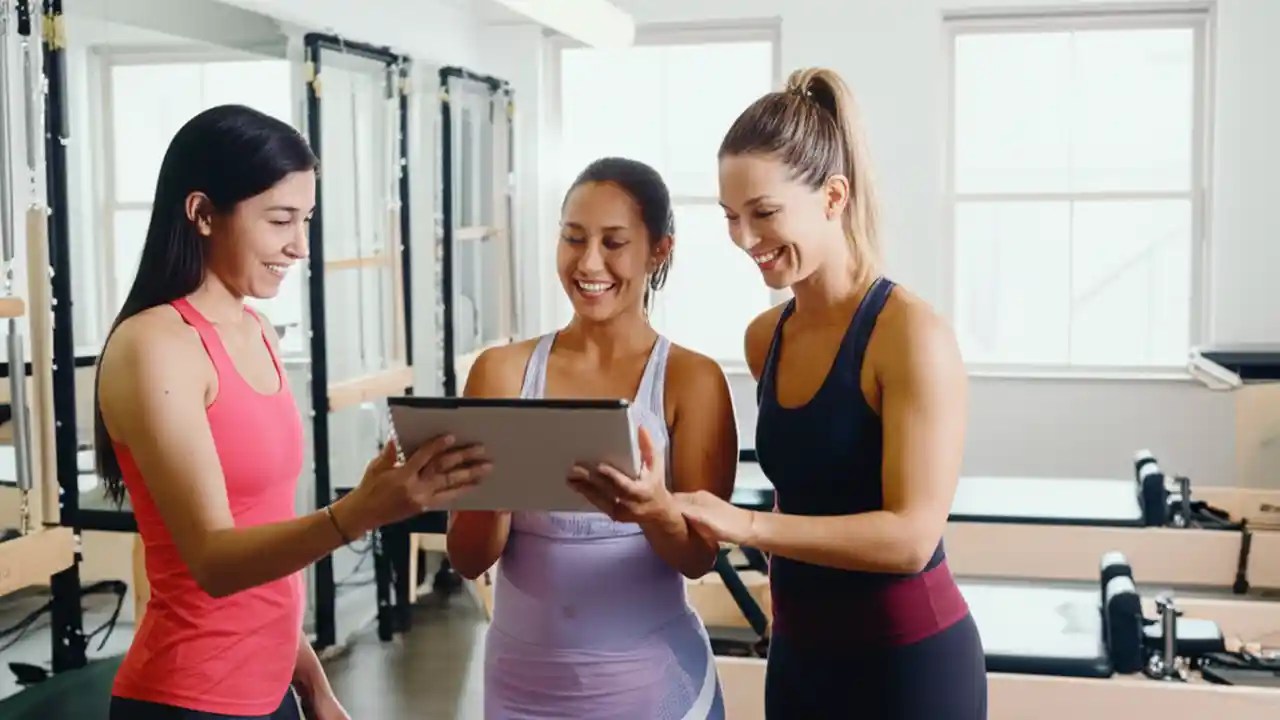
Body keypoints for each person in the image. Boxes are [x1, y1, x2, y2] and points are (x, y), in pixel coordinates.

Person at [94, 104, 490, 720]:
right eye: (280, 219)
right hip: (188, 700)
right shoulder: (155, 346)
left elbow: (263, 545)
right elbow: (216, 562)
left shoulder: (258, 331)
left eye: (305, 219)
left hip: (273, 689)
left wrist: (310, 682)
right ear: (201, 213)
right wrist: (359, 512)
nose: (300, 245)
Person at [674, 68, 988, 718]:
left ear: (833, 196)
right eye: (732, 218)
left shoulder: (909, 335)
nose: (746, 240)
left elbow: (910, 539)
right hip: (798, 657)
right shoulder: (766, 338)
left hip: (909, 670)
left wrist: (748, 525)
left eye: (764, 214)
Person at [446, 157, 738, 719]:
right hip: (519, 689)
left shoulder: (690, 380)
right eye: (573, 239)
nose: (588, 263)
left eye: (614, 242)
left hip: (652, 691)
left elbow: (700, 558)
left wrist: (655, 511)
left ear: (659, 251)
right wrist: (497, 492)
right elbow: (466, 556)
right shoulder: (502, 372)